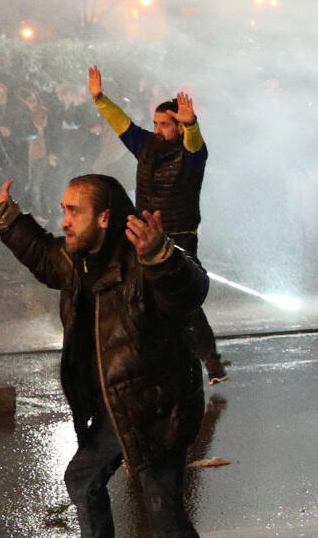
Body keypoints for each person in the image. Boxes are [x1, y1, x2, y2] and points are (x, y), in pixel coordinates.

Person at [0, 171, 230, 538]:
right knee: (83, 478)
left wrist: (161, 254)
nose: (63, 220)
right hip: (118, 403)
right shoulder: (76, 259)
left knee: (164, 512)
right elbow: (43, 256)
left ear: (105, 217)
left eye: (74, 211)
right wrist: (3, 215)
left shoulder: (143, 259)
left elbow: (190, 289)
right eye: (63, 210)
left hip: (158, 407)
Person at [90, 67, 228, 383]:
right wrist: (99, 97)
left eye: (165, 124)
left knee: (184, 300)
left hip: (179, 237)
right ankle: (156, 360)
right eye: (155, 123)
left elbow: (195, 142)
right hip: (147, 235)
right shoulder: (146, 146)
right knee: (143, 296)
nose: (158, 129)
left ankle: (211, 361)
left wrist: (192, 123)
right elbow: (121, 123)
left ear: (179, 127)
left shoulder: (192, 154)